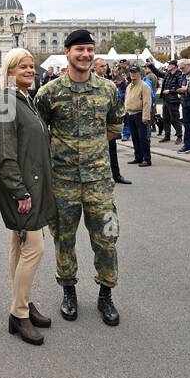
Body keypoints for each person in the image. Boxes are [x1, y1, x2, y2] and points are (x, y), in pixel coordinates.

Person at [36, 30, 124, 325]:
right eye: (79, 50)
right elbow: (39, 133)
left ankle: (106, 295)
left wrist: (91, 150)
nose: (85, 55)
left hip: (98, 180)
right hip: (63, 180)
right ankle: (69, 291)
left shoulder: (108, 90)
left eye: (89, 50)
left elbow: (114, 127)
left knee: (107, 238)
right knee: (63, 237)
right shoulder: (49, 93)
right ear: (67, 53)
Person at [0, 47, 56, 345]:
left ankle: (24, 303)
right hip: (22, 188)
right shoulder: (6, 101)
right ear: (10, 71)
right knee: (34, 247)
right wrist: (18, 190)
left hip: (33, 185)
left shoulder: (25, 100)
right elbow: (4, 153)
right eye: (22, 67)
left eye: (31, 66)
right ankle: (19, 314)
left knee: (20, 246)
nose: (30, 71)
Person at [93, 57, 130, 184]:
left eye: (105, 66)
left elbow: (116, 104)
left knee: (112, 151)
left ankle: (116, 175)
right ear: (94, 67)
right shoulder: (91, 82)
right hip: (95, 124)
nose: (104, 68)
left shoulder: (109, 83)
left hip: (108, 123)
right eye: (101, 66)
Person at [123, 64, 152, 167]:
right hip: (130, 114)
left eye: (135, 72)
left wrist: (145, 116)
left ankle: (146, 159)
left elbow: (147, 102)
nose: (133, 74)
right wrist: (125, 112)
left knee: (143, 138)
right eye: (131, 72)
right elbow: (126, 100)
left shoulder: (144, 86)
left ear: (139, 73)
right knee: (135, 137)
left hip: (139, 114)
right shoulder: (129, 86)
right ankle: (138, 157)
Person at [156, 59, 182, 142]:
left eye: (169, 65)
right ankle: (167, 135)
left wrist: (170, 91)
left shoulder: (179, 74)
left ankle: (179, 136)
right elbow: (158, 73)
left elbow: (180, 87)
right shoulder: (168, 74)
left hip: (174, 100)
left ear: (174, 66)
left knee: (175, 118)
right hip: (166, 99)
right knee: (166, 118)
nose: (168, 66)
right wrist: (150, 65)